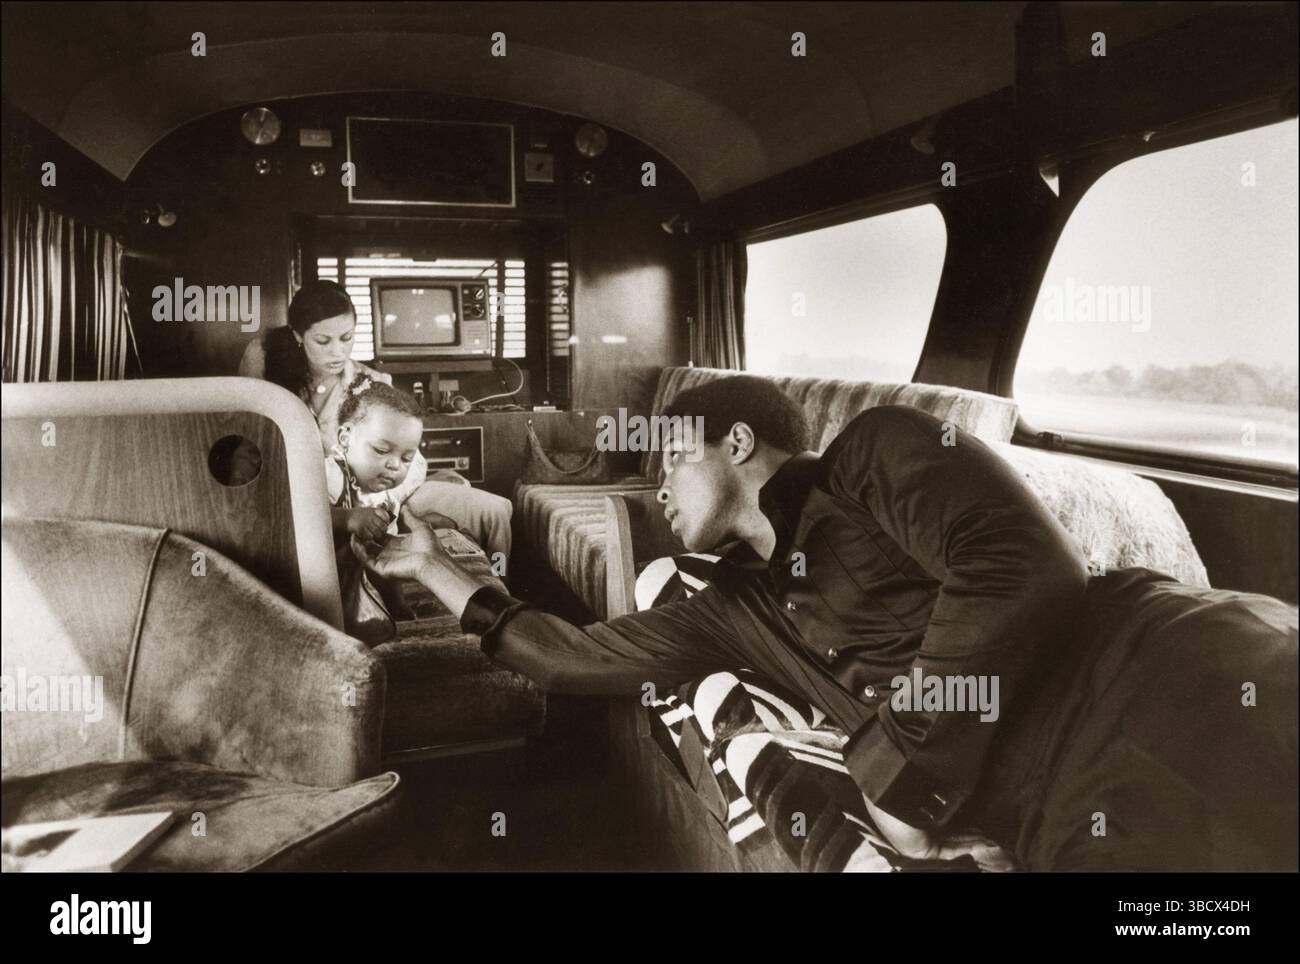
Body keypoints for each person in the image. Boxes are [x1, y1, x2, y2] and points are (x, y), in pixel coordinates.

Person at [362, 375, 1298, 871]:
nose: (654, 487)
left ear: (738, 445)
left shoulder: (873, 453)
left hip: (1152, 673)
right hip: (1058, 809)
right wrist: (441, 573)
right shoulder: (731, 611)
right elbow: (567, 659)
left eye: (670, 461)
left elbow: (1018, 565)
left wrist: (899, 778)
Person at [238, 280, 513, 566]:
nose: (337, 352)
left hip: (381, 495)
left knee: (496, 509)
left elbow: (414, 464)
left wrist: (388, 508)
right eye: (323, 341)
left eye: (346, 338)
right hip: (303, 503)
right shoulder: (266, 370)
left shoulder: (372, 384)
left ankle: (499, 595)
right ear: (298, 335)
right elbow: (248, 454)